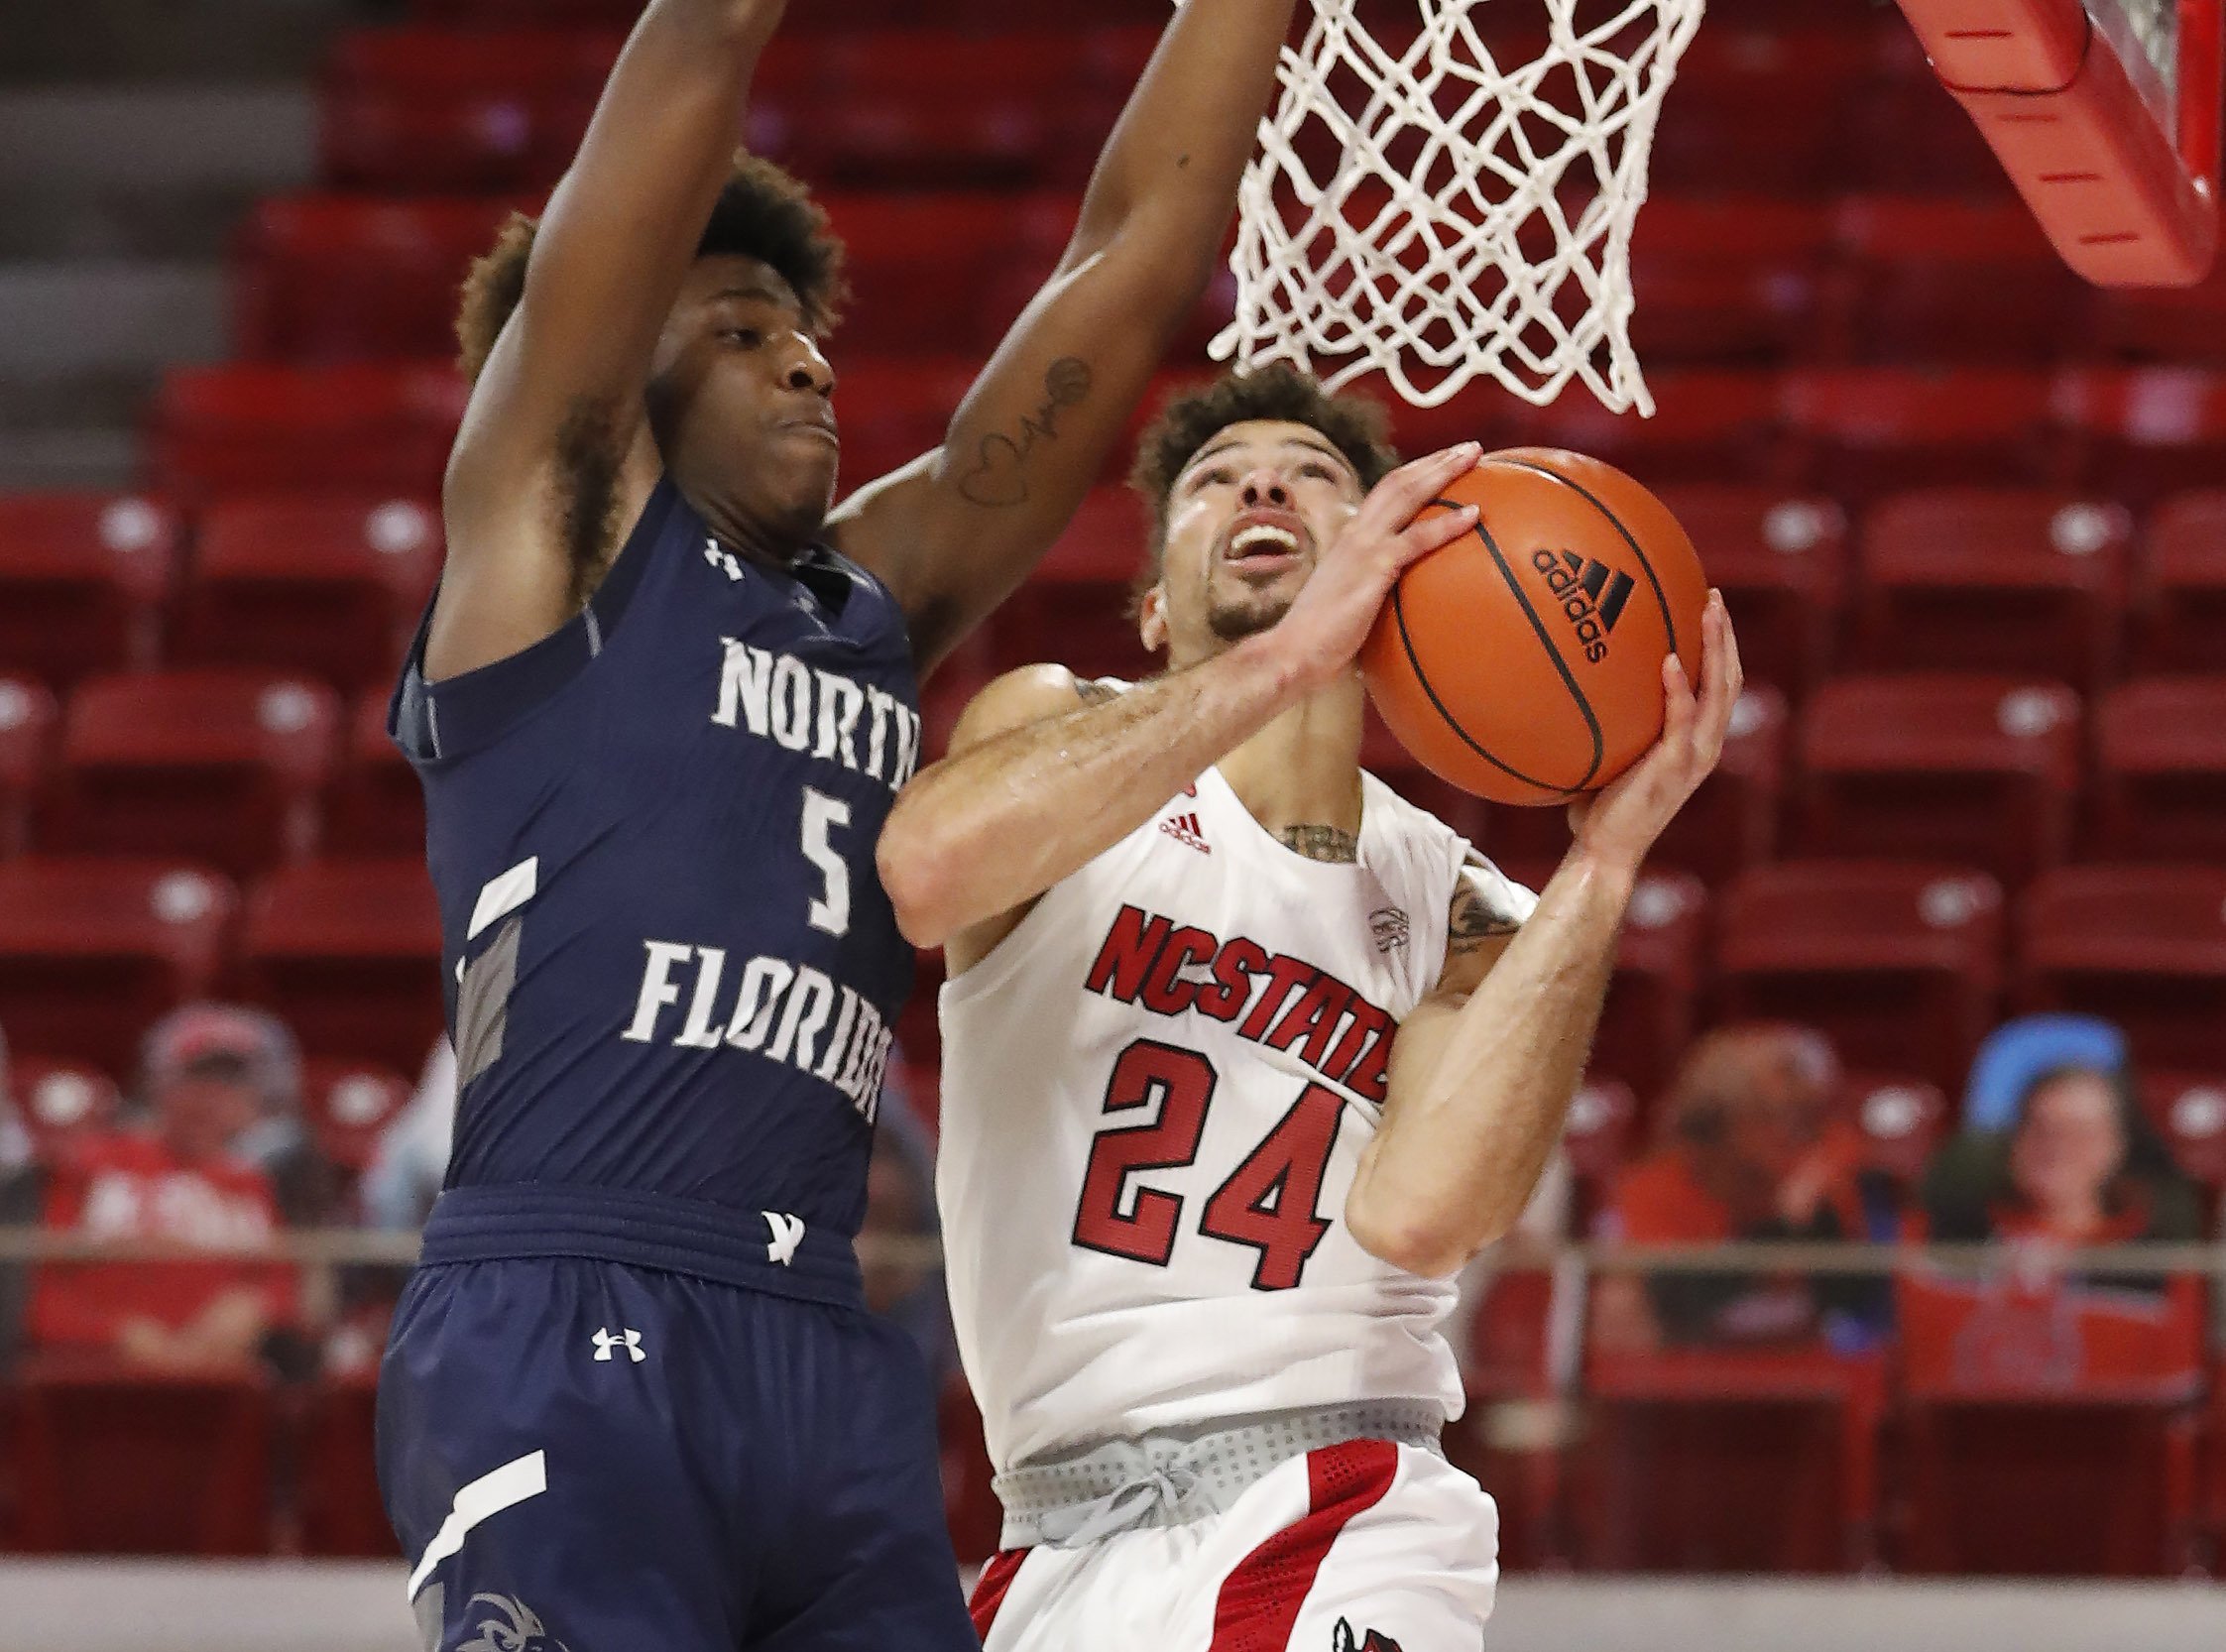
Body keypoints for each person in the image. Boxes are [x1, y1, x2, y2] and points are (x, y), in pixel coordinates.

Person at [374, 3, 1310, 1648]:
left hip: (821, 1337)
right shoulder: (553, 540)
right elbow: (700, 44)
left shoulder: (872, 600)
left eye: (807, 333)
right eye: (740, 330)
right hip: (571, 1302)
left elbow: (1135, 256)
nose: (808, 357)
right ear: (617, 363)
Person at [876, 365, 1743, 1649]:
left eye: (1316, 475)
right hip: (1054, 1533)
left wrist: (1602, 865)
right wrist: (1284, 659)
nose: (1263, 483)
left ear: (1398, 586)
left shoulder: (1461, 901)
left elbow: (1424, 1210)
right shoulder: (1058, 723)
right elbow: (927, 867)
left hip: (1333, 1492)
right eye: (1212, 482)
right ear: (1155, 606)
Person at [1588, 1023, 1895, 1356]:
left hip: (1811, 1382)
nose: (1796, 1134)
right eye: (1776, 1115)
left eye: (1808, 1116)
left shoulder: (1828, 1166)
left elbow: (1860, 1308)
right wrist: (1783, 1226)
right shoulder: (1654, 1194)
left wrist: (1815, 1215)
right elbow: (1676, 1313)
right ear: (1720, 1123)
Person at [28, 1011, 296, 1374]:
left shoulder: (251, 1183)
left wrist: (255, 1308)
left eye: (230, 1082)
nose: (210, 1098)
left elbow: (283, 1293)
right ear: (158, 1083)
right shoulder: (91, 1164)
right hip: (91, 1379)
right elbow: (35, 1291)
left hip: (217, 1387)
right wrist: (114, 1333)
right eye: (196, 1078)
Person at [1921, 1057, 2201, 1269]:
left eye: (2077, 1132)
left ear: (2115, 1148)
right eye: (2040, 1128)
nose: (2055, 1148)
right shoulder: (1948, 1245)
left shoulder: (2156, 1264)